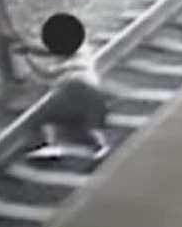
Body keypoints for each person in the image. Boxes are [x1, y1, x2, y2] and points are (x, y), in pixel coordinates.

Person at [16, 13, 111, 161]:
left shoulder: (74, 55)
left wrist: (27, 56)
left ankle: (51, 143)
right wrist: (28, 50)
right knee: (88, 120)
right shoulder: (82, 49)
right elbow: (47, 54)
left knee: (46, 114)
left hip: (76, 88)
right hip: (88, 90)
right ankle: (100, 145)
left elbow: (46, 72)